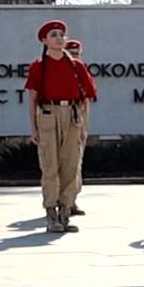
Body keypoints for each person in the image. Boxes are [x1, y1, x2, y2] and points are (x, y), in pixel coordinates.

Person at [25, 21, 97, 234]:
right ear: (44, 41)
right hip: (48, 115)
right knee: (50, 166)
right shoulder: (38, 66)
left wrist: (85, 127)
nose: (59, 38)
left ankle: (65, 211)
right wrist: (33, 127)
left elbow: (86, 98)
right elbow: (32, 98)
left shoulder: (76, 66)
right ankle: (51, 214)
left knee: (71, 166)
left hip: (72, 115)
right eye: (53, 35)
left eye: (62, 35)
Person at [63, 39, 88, 218]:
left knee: (76, 161)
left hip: (77, 116)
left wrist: (84, 126)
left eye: (77, 53)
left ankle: (72, 199)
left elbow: (86, 99)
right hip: (61, 116)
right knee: (61, 162)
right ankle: (61, 200)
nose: (75, 56)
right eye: (72, 53)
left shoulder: (81, 71)